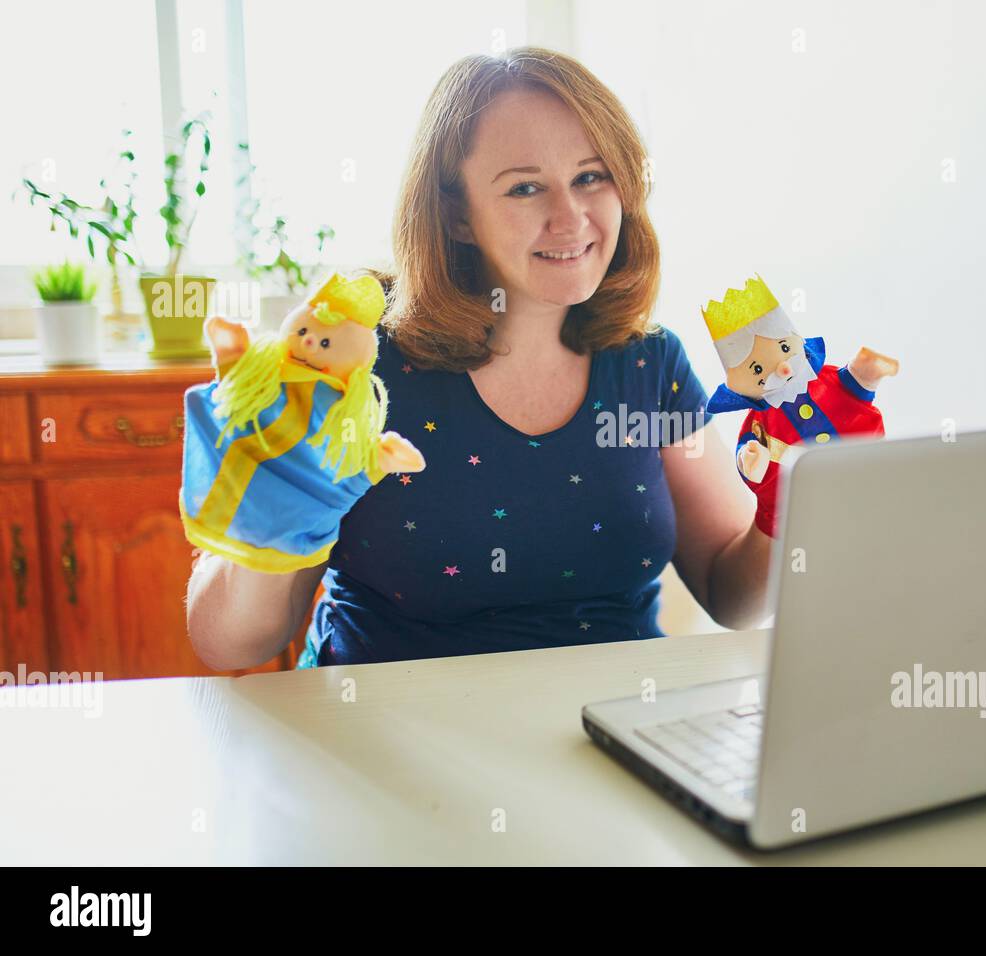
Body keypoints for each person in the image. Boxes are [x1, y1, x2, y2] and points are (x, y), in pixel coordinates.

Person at [186, 47, 774, 669]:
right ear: (457, 216)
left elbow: (731, 595)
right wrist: (273, 517)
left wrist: (789, 495)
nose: (570, 218)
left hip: (609, 722)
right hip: (387, 728)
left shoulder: (648, 362)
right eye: (525, 187)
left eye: (591, 177)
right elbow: (231, 648)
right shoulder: (358, 363)